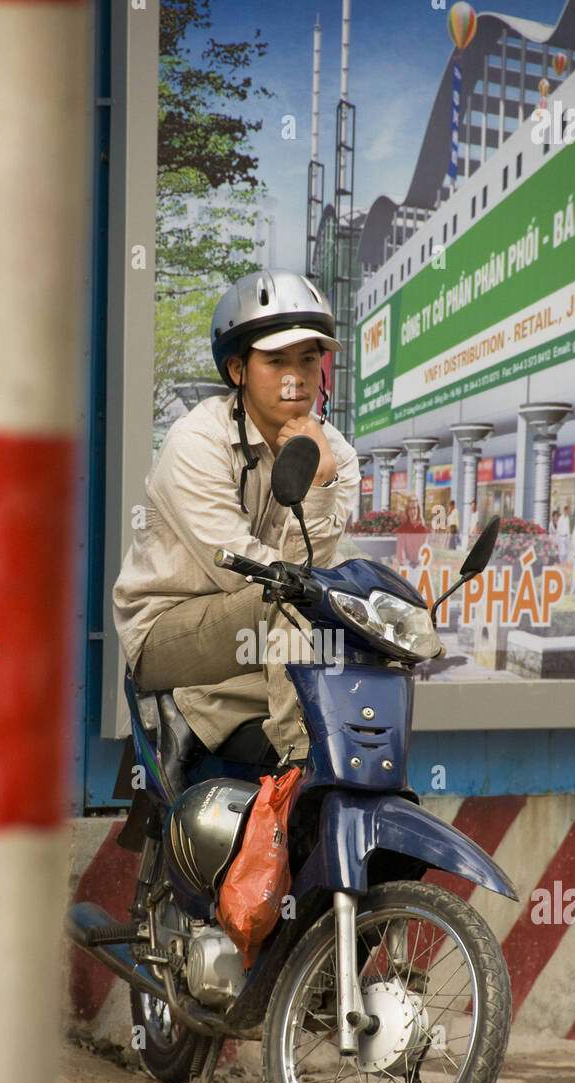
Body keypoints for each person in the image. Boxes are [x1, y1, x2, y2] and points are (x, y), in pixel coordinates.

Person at [113, 268, 360, 787]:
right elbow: (245, 574)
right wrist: (317, 490)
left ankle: (205, 709)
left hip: (260, 627)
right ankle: (306, 778)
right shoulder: (196, 440)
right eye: (276, 360)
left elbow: (318, 562)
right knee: (291, 600)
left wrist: (319, 478)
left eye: (309, 359)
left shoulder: (337, 454)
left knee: (377, 626)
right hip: (168, 627)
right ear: (237, 369)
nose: (296, 377)